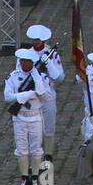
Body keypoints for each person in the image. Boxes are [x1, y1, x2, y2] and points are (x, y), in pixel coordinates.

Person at [4, 48, 54, 185]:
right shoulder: (14, 77)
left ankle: (34, 178)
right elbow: (8, 96)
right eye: (23, 62)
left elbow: (45, 97)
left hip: (35, 117)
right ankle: (24, 177)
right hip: (20, 116)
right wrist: (26, 94)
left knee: (36, 149)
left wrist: (37, 80)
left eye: (28, 62)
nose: (25, 64)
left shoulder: (40, 77)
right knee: (21, 149)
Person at [25, 23, 63, 162]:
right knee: (33, 126)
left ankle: (48, 153)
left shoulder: (52, 54)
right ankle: (34, 152)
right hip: (32, 96)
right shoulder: (27, 54)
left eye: (39, 40)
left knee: (49, 126)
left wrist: (48, 64)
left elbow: (59, 77)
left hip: (48, 95)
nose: (36, 42)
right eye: (34, 39)